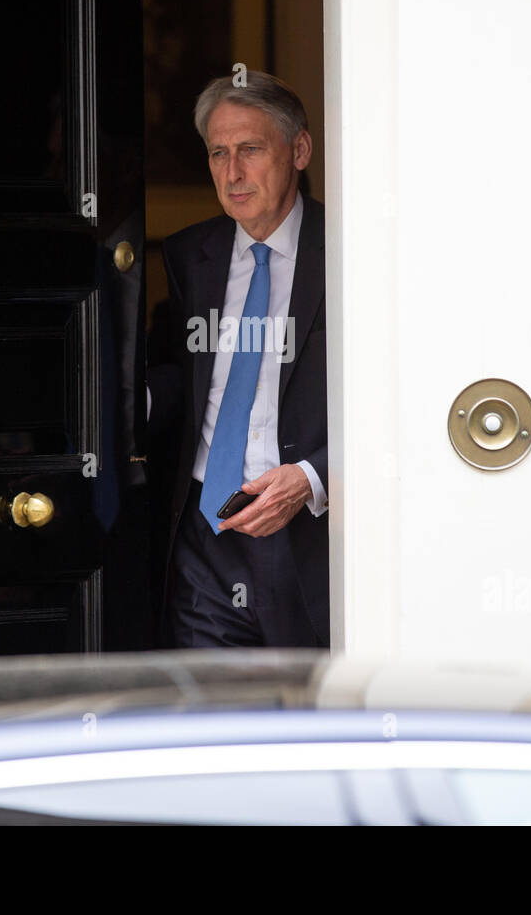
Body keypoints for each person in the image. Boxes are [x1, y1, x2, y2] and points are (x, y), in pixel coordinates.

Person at [147, 71, 329, 648]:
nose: (232, 172)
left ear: (298, 150)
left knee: (311, 722)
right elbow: (184, 373)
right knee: (213, 721)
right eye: (218, 153)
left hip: (308, 537)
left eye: (250, 149)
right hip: (208, 534)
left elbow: (401, 392)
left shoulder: (350, 249)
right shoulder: (189, 254)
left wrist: (314, 476)